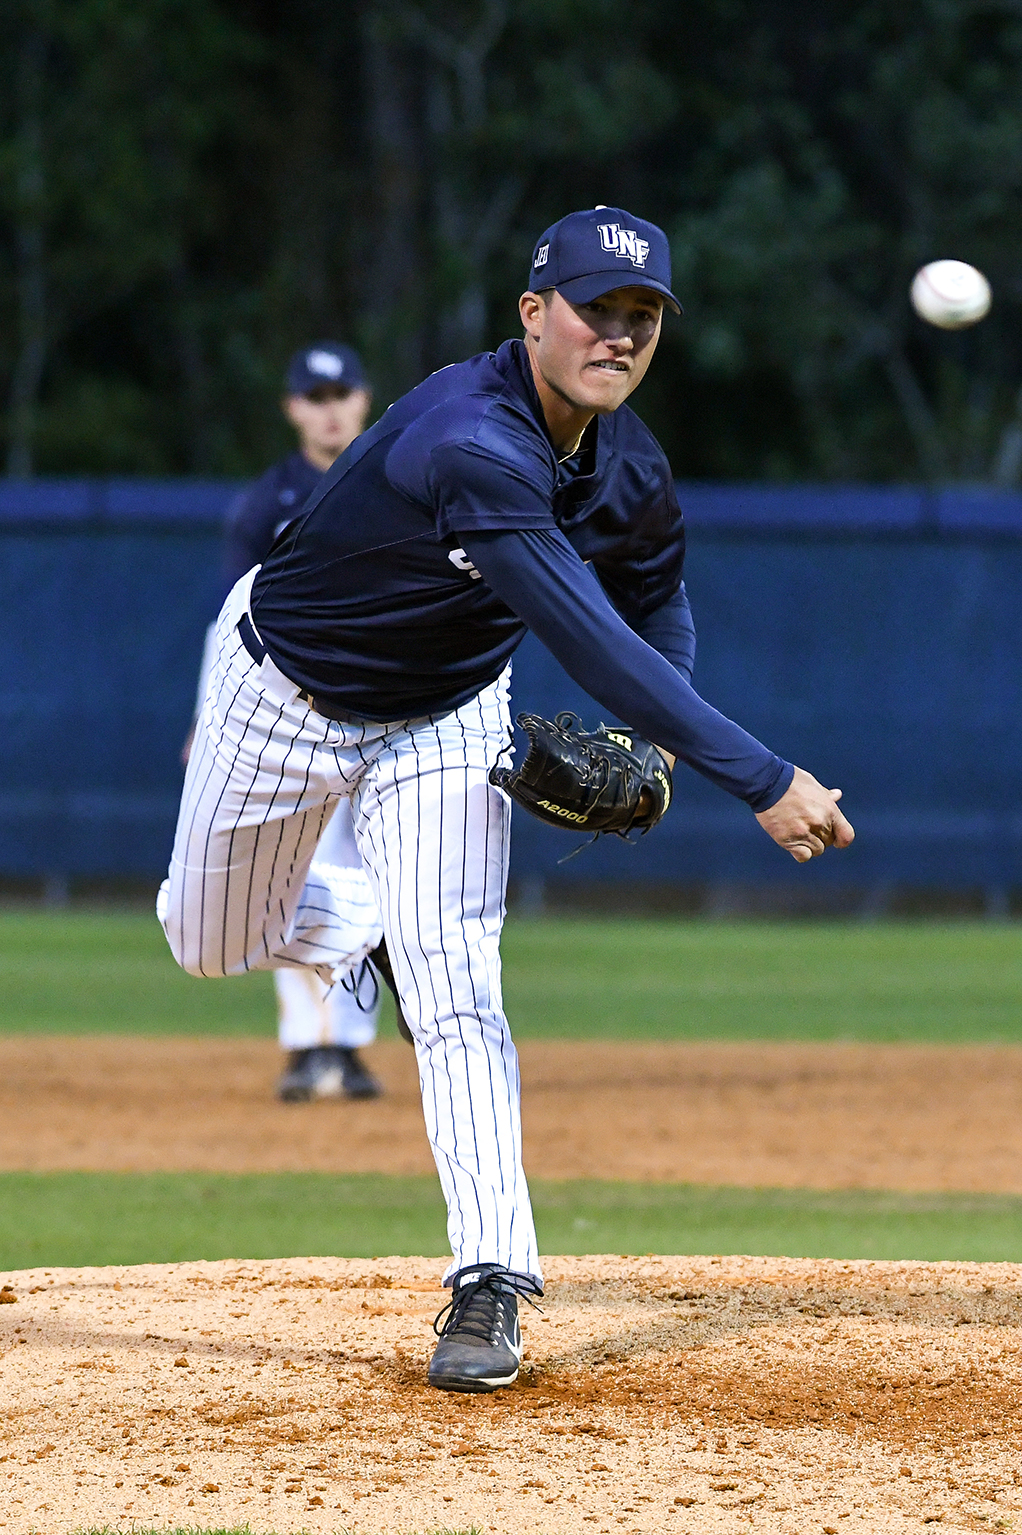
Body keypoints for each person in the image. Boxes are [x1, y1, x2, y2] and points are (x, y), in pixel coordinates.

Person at [159, 205, 853, 1394]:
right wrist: (760, 775)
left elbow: (651, 604)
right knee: (204, 940)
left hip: (444, 715)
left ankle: (491, 1282)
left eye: (640, 317)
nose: (618, 333)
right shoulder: (469, 438)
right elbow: (586, 640)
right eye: (595, 308)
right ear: (533, 315)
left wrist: (659, 741)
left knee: (459, 988)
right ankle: (364, 932)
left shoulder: (626, 462)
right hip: (276, 691)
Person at [198, 342, 385, 1101]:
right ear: (292, 408)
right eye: (315, 394)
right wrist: (206, 718)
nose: (330, 407)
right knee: (290, 878)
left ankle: (350, 1043)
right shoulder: (264, 502)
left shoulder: (394, 480)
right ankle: (309, 1043)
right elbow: (228, 624)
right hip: (282, 717)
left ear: (364, 399)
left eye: (341, 392)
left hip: (380, 711)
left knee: (371, 876)